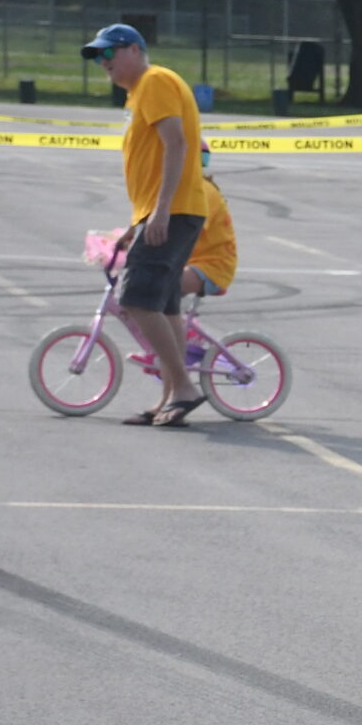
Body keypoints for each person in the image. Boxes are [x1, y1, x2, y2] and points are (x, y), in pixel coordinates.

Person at [84, 24, 209, 427]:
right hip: (165, 211)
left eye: (109, 53)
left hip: (174, 211)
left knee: (136, 298)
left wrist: (161, 211)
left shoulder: (154, 81)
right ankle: (171, 398)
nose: (104, 63)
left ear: (135, 50)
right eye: (98, 57)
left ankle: (184, 387)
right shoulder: (140, 92)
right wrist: (139, 221)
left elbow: (176, 144)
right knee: (164, 303)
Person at [184, 146, 237, 302]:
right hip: (190, 261)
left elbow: (185, 230)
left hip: (212, 267)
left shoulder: (202, 191)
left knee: (154, 287)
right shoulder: (180, 189)